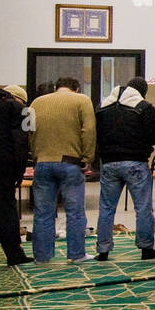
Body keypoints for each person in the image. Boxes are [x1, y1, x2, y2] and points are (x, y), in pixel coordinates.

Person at [94, 77, 155, 261]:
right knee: (142, 208)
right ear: (142, 92)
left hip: (108, 163)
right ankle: (146, 249)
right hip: (136, 163)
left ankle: (103, 250)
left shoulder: (102, 108)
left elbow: (96, 135)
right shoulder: (145, 108)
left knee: (107, 208)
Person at [29, 76, 96, 262]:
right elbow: (89, 130)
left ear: (56, 87)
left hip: (42, 162)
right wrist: (87, 158)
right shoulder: (82, 100)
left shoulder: (36, 102)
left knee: (42, 212)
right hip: (70, 163)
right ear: (76, 88)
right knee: (74, 212)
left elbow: (29, 131)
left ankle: (42, 256)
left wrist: (36, 156)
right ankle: (76, 254)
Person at [0, 84, 32, 265]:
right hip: (2, 166)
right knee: (6, 211)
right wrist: (20, 171)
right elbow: (22, 142)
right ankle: (14, 255)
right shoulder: (19, 108)